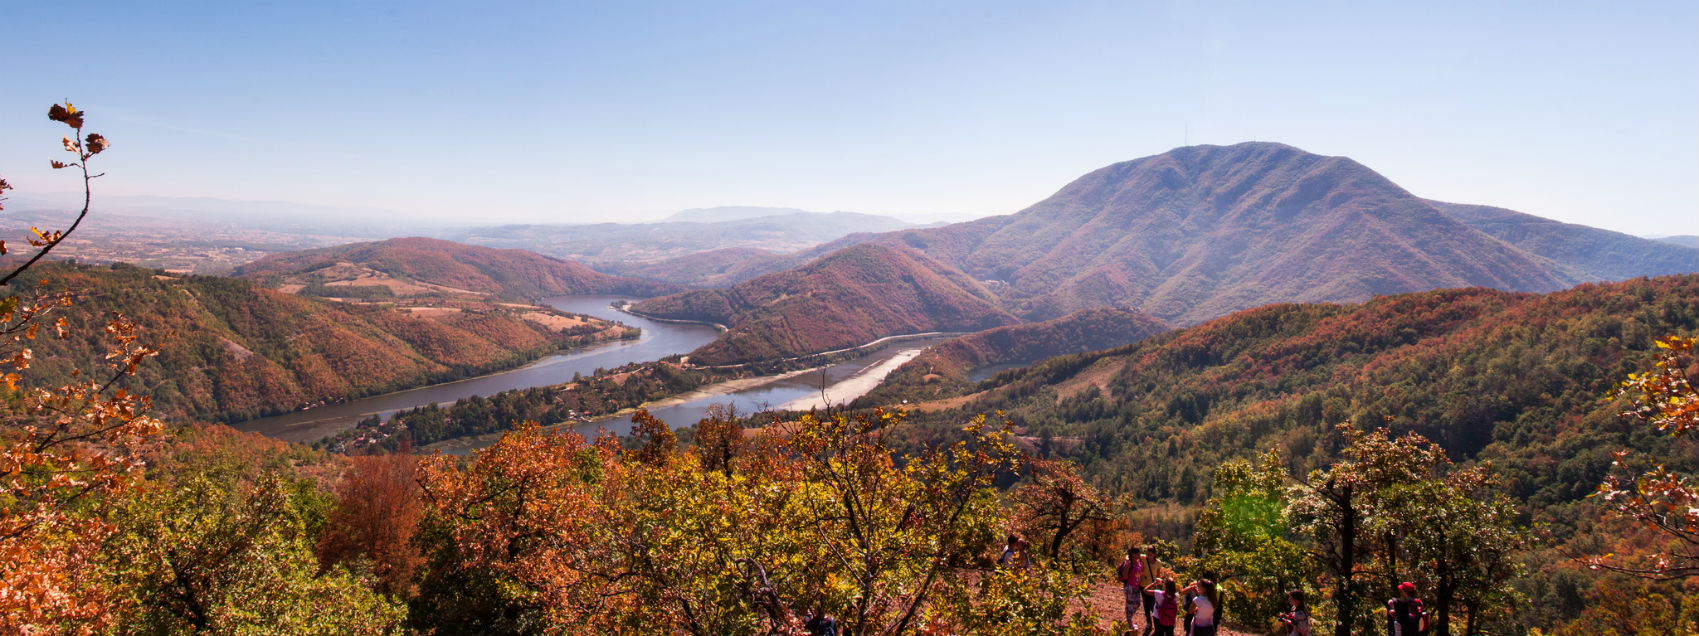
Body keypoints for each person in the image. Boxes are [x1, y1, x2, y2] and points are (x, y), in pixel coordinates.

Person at [1117, 547, 1146, 633]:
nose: (1139, 555)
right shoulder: (1129, 564)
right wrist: (1128, 565)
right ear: (1133, 554)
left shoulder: (1139, 562)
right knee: (1130, 605)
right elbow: (1125, 576)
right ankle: (1129, 622)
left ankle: (1128, 620)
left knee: (1137, 604)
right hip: (1130, 587)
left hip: (1136, 587)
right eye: (1137, 554)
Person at [1138, 548, 1160, 636]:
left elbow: (1158, 575)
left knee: (1153, 606)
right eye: (1147, 554)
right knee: (1146, 605)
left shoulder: (1158, 563)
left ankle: (1156, 624)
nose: (1149, 556)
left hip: (1152, 587)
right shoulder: (1143, 558)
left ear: (1154, 554)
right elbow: (1132, 556)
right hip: (1143, 585)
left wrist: (1157, 585)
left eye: (1151, 555)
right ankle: (1149, 623)